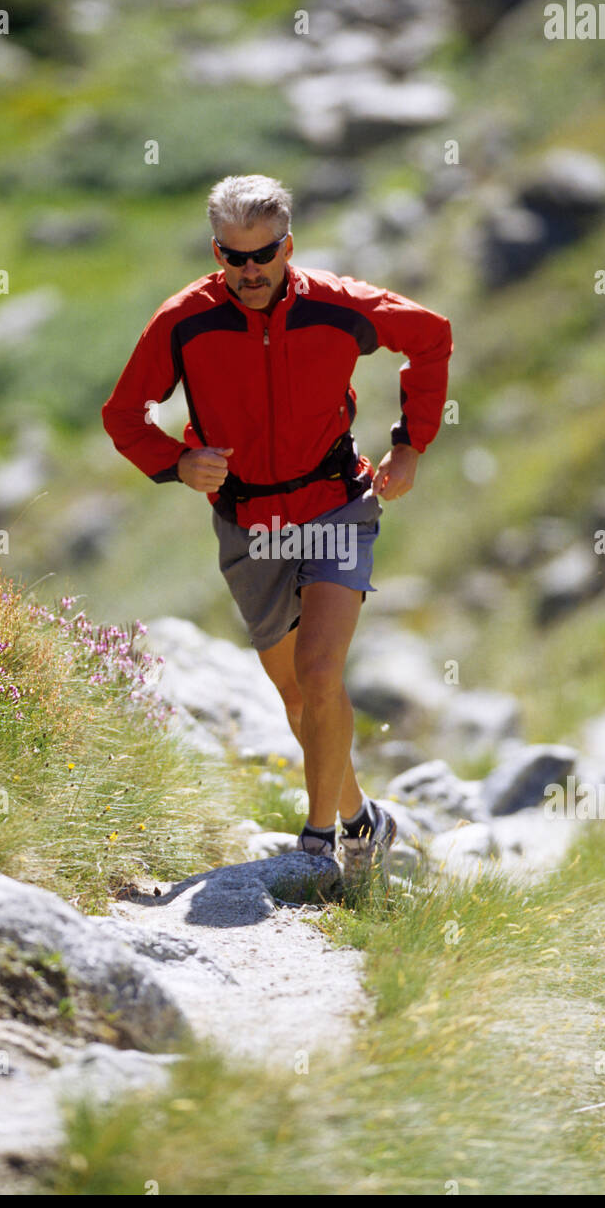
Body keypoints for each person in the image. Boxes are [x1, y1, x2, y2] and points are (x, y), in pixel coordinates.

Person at [102, 174, 452, 881]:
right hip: (248, 523)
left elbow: (430, 337)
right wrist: (177, 462)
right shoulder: (184, 320)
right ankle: (363, 819)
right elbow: (122, 415)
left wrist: (412, 443)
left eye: (263, 255)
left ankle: (322, 844)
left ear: (288, 246)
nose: (249, 271)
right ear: (216, 252)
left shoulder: (338, 305)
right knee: (297, 697)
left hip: (335, 505)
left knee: (323, 675)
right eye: (234, 257)